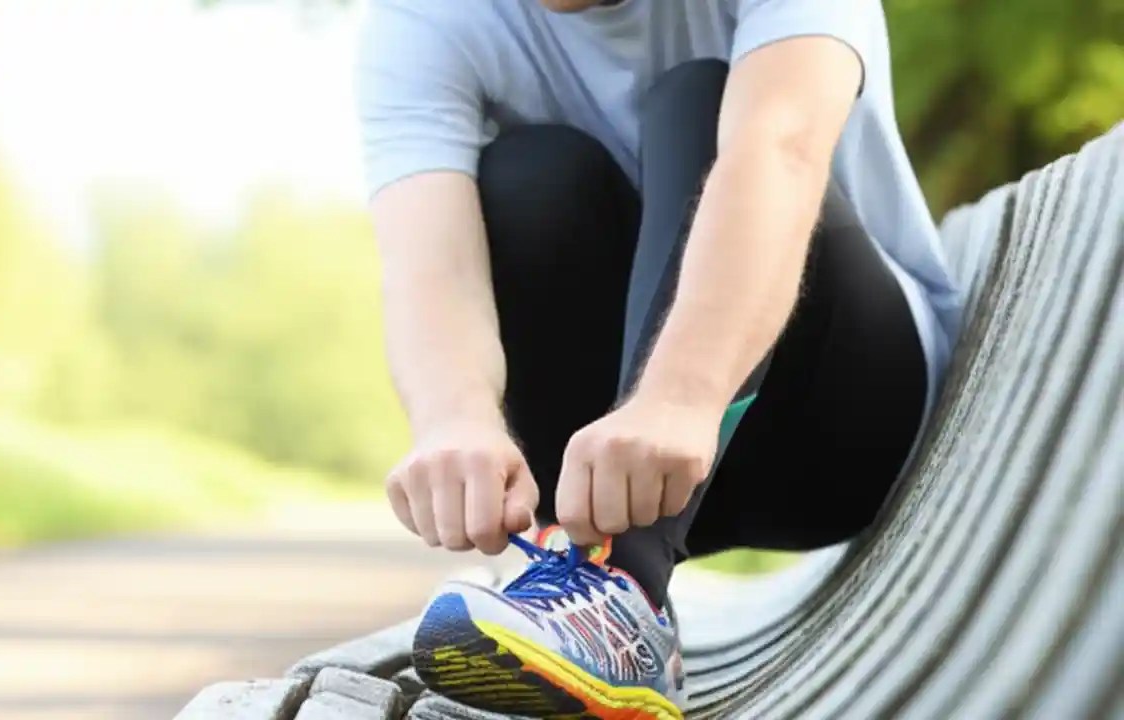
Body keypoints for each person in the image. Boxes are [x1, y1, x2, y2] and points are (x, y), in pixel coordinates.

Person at [354, 0, 960, 717]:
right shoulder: (421, 23)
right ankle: (599, 589)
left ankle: (627, 588)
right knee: (530, 175)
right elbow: (431, 267)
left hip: (837, 421)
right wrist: (455, 422)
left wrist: (679, 397)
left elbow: (782, 147)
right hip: (604, 476)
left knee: (700, 95)